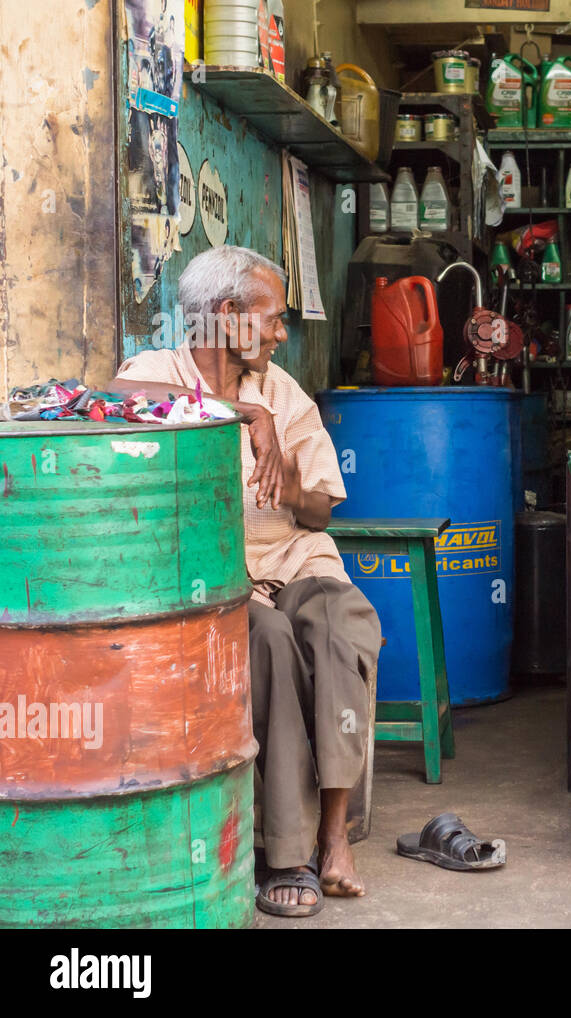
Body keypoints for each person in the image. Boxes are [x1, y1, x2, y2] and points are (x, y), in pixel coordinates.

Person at [112, 245, 381, 918]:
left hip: (291, 555)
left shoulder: (283, 390)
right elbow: (115, 399)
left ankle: (335, 835)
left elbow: (321, 509)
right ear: (228, 315)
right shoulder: (156, 370)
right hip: (215, 572)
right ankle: (288, 851)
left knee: (339, 621)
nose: (282, 333)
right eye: (274, 318)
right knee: (266, 636)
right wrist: (242, 417)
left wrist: (288, 477)